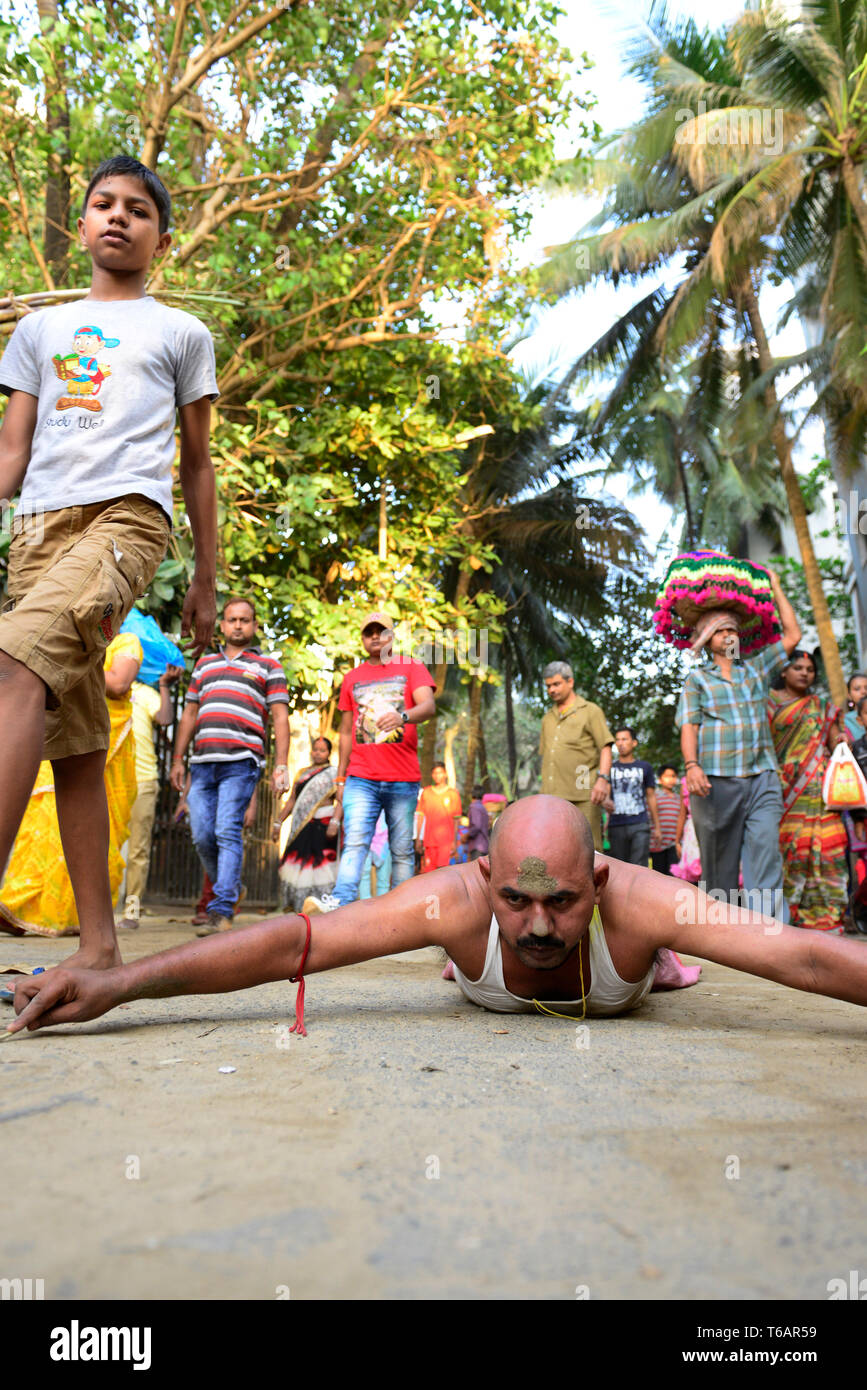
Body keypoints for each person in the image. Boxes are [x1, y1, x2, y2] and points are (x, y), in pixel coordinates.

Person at [11, 794, 867, 1041]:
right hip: (468, 956)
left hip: (634, 962)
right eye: (516, 900)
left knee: (674, 960)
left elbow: (802, 959)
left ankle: (664, 972)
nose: (535, 926)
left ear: (599, 881)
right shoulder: (451, 901)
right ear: (483, 877)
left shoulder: (641, 901)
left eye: (562, 903)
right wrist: (120, 984)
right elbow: (296, 943)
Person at [0, 155, 218, 971]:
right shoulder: (38, 330)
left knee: (15, 665)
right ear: (82, 226)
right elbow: (11, 458)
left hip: (128, 520)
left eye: (139, 209)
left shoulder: (180, 333)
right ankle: (98, 947)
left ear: (161, 238)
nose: (119, 216)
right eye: (103, 204)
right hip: (37, 535)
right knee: (78, 740)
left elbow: (197, 464)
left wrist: (206, 577)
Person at [677, 570, 802, 920]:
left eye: (732, 628)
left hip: (763, 777)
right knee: (720, 868)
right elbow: (689, 726)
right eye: (720, 630)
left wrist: (776, 586)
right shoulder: (697, 680)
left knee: (765, 851)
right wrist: (691, 766)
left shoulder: (757, 670)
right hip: (714, 783)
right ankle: (725, 939)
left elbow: (793, 635)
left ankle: (772, 935)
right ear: (706, 640)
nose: (728, 634)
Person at [0, 631, 144, 935]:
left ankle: (74, 918)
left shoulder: (126, 641)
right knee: (39, 822)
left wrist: (65, 669)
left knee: (89, 827)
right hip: (59, 733)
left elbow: (118, 684)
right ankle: (20, 906)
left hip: (104, 747)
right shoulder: (68, 640)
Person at [170, 597, 289, 935]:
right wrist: (178, 759)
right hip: (202, 764)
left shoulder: (268, 666)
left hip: (242, 761)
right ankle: (233, 888)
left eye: (245, 620)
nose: (238, 625)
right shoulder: (204, 665)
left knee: (226, 830)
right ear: (221, 625)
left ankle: (221, 909)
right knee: (202, 835)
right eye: (232, 619)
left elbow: (280, 717)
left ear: (254, 626)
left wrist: (281, 764)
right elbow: (189, 714)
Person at [315, 611, 436, 910]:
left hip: (403, 778)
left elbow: (429, 706)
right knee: (355, 842)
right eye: (369, 632)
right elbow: (344, 733)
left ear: (391, 637)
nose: (374, 636)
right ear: (362, 638)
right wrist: (340, 778)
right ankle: (340, 903)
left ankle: (405, 911)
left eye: (381, 631)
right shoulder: (352, 678)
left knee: (402, 850)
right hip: (361, 777)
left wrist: (402, 716)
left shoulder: (411, 667)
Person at [768, 651, 849, 931]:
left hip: (821, 790)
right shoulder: (769, 703)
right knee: (792, 850)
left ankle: (830, 914)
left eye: (810, 669)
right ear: (783, 672)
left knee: (830, 848)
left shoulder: (821, 706)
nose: (805, 673)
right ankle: (792, 914)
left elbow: (834, 743)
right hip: (785, 791)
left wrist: (841, 739)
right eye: (798, 667)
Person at [116, 661, 184, 930]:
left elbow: (165, 719)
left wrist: (164, 686)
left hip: (143, 781)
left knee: (138, 850)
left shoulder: (143, 692)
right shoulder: (101, 687)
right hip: (107, 780)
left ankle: (131, 912)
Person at [539, 661, 614, 851]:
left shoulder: (590, 711)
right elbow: (548, 757)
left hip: (583, 794)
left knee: (588, 850)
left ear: (570, 682)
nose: (552, 690)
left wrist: (603, 780)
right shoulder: (547, 718)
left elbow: (606, 747)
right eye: (548, 686)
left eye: (556, 684)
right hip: (552, 797)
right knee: (554, 849)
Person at [272, 737, 337, 913]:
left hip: (323, 825)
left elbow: (341, 800)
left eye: (322, 750)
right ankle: (297, 904)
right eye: (315, 749)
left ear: (329, 753)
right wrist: (278, 822)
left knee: (319, 865)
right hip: (301, 826)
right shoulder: (302, 773)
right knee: (296, 863)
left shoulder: (334, 773)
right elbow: (292, 800)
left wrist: (336, 822)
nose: (318, 753)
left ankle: (321, 903)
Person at [607, 727, 661, 866]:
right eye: (617, 740)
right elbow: (606, 796)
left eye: (624, 739)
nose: (620, 743)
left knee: (639, 867)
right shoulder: (608, 768)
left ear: (634, 743)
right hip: (616, 824)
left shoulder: (645, 767)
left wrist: (657, 827)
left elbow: (651, 796)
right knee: (619, 868)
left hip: (640, 823)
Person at [417, 762, 462, 872]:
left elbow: (456, 820)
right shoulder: (426, 793)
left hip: (446, 843)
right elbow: (420, 817)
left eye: (440, 773)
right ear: (432, 775)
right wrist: (418, 839)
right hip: (429, 842)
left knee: (444, 874)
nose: (438, 776)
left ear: (445, 774)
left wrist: (455, 842)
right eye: (435, 773)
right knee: (428, 875)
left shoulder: (453, 793)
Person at [650, 764, 682, 875]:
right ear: (659, 779)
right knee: (659, 874)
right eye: (667, 776)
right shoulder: (654, 797)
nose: (670, 779)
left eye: (673, 776)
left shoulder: (679, 799)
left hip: (674, 843)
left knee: (673, 874)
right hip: (658, 843)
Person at [463, 784, 491, 861]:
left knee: (476, 871)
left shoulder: (474, 807)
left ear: (471, 795)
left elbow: (476, 826)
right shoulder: (482, 808)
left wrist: (466, 835)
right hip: (484, 845)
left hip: (477, 846)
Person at [844, 672, 867, 742]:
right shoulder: (844, 721)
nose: (864, 692)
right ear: (849, 695)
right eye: (857, 689)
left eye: (866, 688)